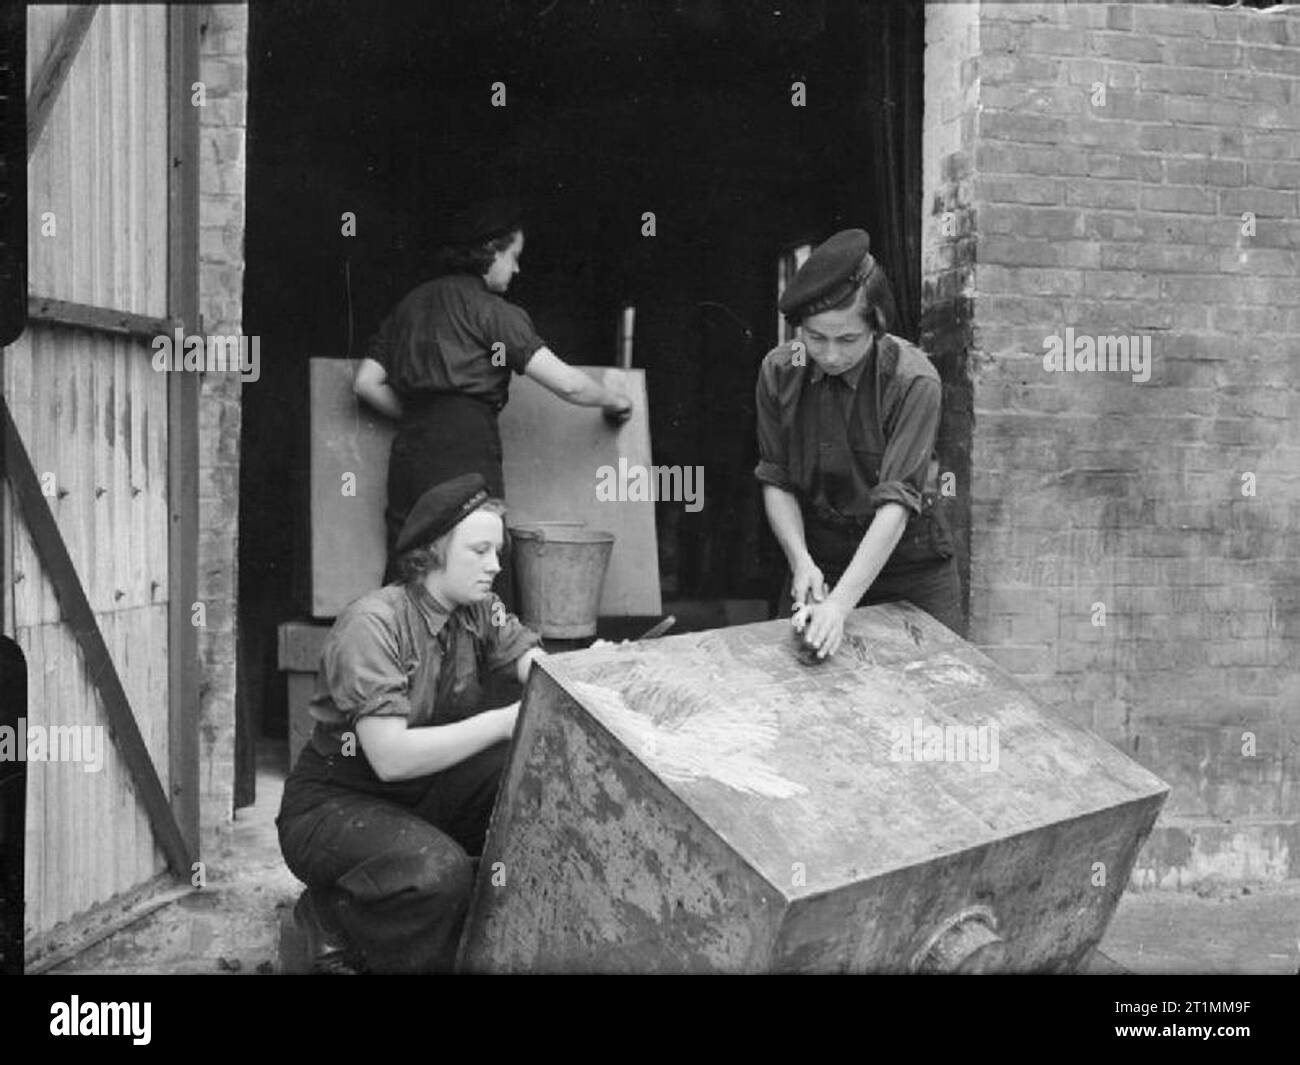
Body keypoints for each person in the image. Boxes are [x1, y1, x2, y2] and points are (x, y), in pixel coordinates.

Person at [277, 473, 545, 973]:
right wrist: (505, 722)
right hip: (335, 801)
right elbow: (391, 759)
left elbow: (527, 658)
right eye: (480, 551)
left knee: (529, 787)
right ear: (434, 553)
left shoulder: (479, 607)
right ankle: (332, 915)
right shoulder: (373, 623)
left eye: (498, 552)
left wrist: (577, 671)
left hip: (420, 791)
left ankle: (432, 913)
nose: (495, 566)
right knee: (436, 874)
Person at [353, 197, 633, 586]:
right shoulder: (492, 312)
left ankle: (396, 647)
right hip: (467, 450)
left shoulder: (411, 306)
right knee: (480, 562)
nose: (517, 268)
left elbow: (366, 383)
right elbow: (568, 384)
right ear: (491, 252)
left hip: (410, 453)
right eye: (513, 255)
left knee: (412, 565)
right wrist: (615, 398)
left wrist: (423, 418)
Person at [754, 228, 962, 661]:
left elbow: (897, 504)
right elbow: (777, 478)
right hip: (822, 559)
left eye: (847, 340)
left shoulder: (913, 380)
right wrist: (801, 562)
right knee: (800, 695)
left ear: (877, 327)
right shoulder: (779, 371)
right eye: (815, 338)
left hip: (910, 564)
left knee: (931, 699)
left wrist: (840, 606)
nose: (829, 355)